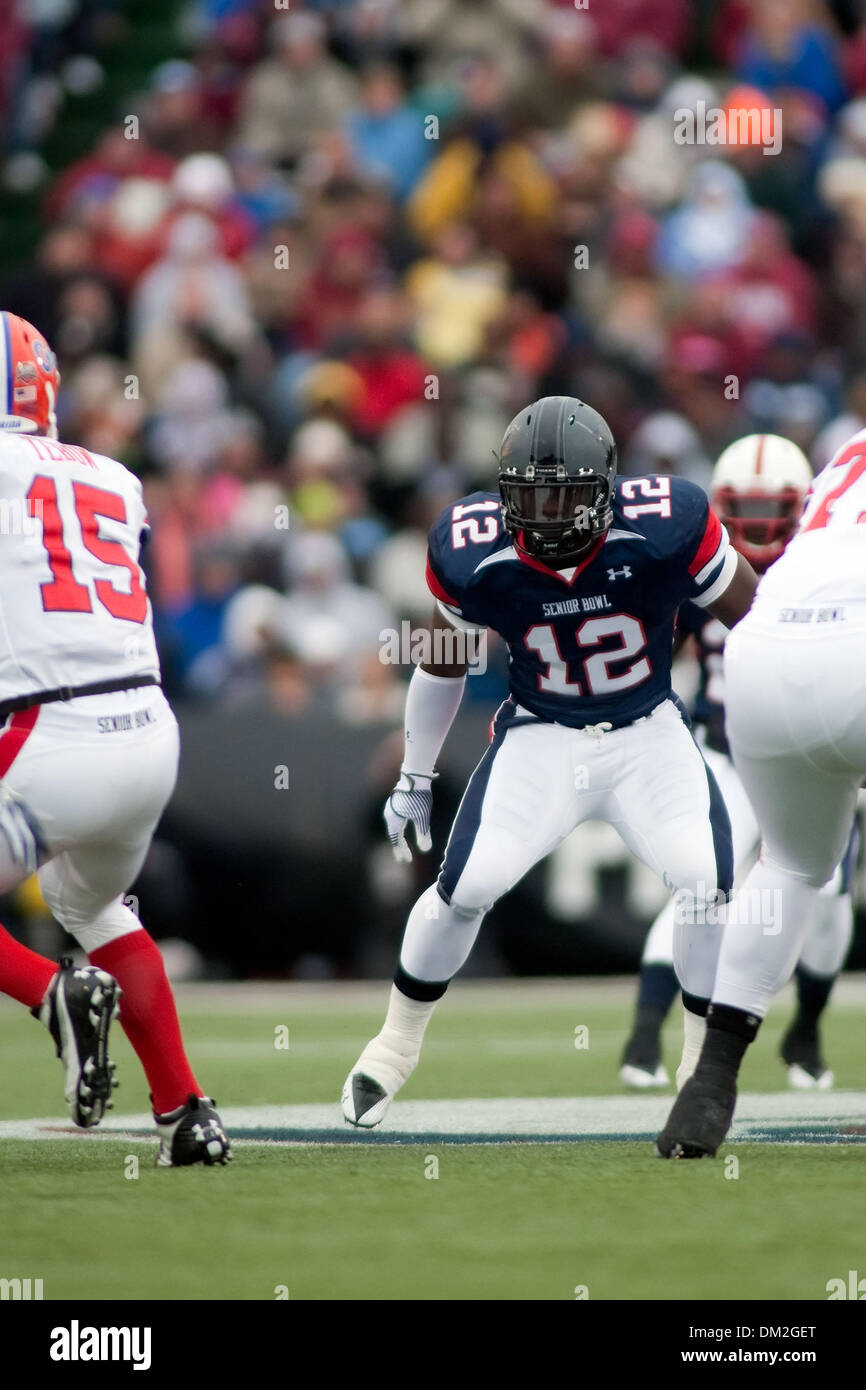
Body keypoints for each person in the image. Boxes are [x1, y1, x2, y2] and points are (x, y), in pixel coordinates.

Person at [340, 394, 758, 1128]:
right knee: (467, 885)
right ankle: (394, 1045)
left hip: (645, 730)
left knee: (704, 883)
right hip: (541, 733)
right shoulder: (474, 549)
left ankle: (697, 1070)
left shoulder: (667, 525)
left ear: (605, 489)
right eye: (531, 496)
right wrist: (414, 776)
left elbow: (755, 622)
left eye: (565, 496)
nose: (548, 514)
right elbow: (442, 663)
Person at [0, 312, 230, 1166]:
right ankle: (188, 1114)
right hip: (146, 733)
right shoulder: (116, 478)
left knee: (73, 927)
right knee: (94, 907)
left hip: (48, 735)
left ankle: (49, 994)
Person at [621, 435, 856, 1092]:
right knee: (702, 889)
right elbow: (650, 656)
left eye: (770, 506)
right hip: (728, 753)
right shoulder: (701, 570)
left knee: (831, 897)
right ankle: (644, 1035)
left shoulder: (814, 564)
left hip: (811, 749)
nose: (756, 522)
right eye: (742, 506)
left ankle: (805, 1031)